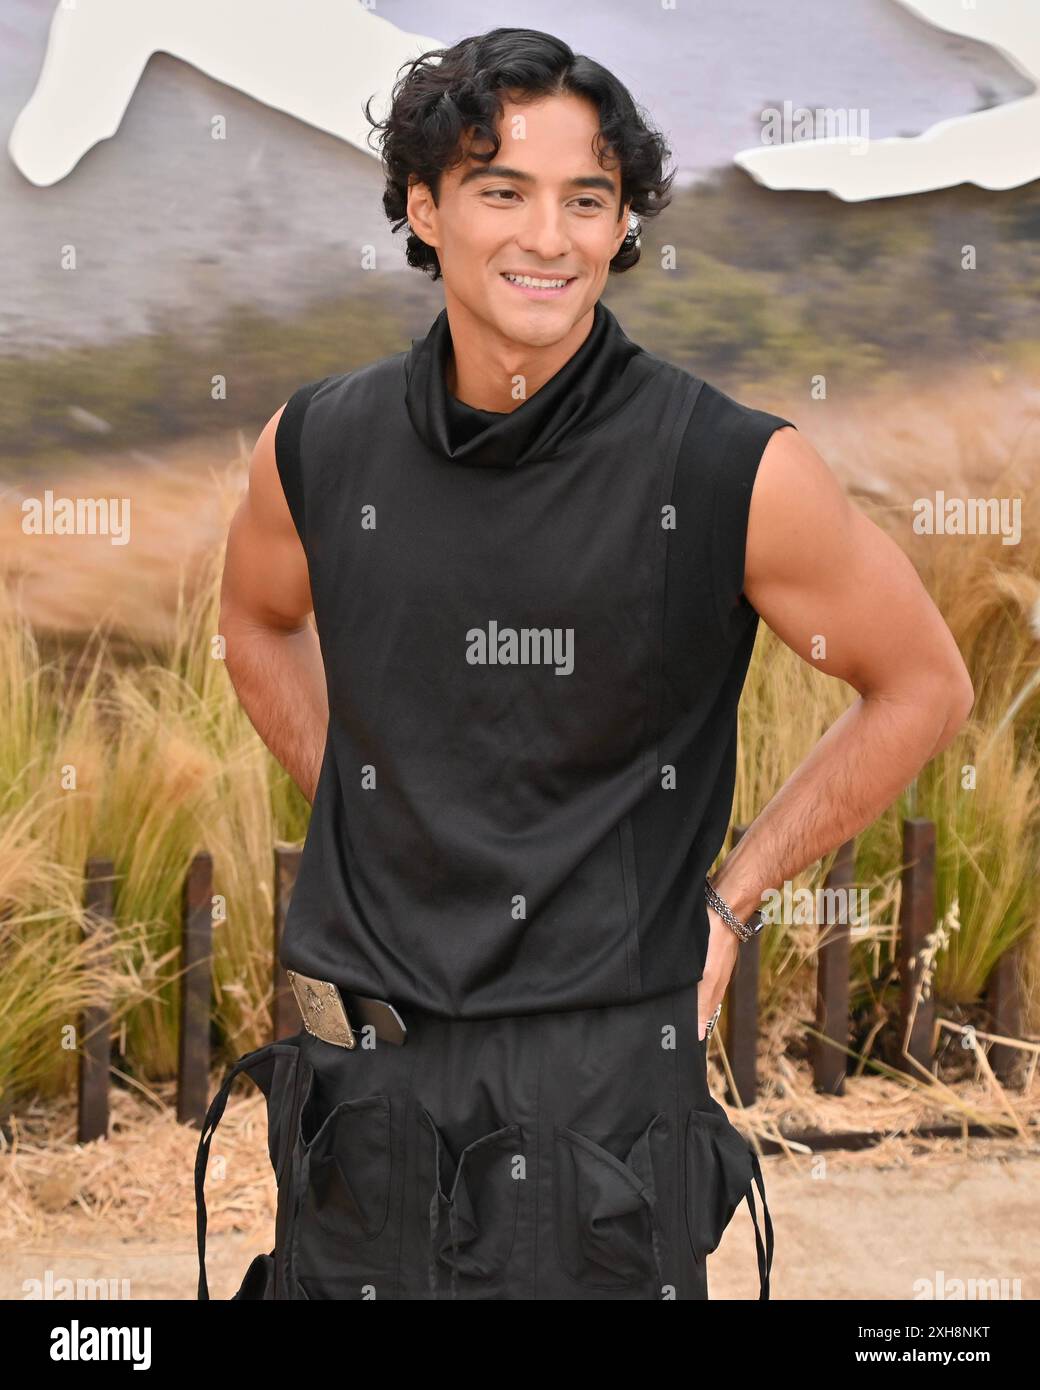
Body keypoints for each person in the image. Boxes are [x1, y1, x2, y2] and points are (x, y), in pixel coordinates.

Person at [194, 28, 974, 1302]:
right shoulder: (316, 446)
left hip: (596, 1117)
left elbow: (920, 681)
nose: (547, 237)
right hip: (359, 1101)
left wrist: (730, 901)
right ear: (423, 206)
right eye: (501, 190)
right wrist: (370, 796)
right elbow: (254, 622)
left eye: (587, 199)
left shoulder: (729, 470)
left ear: (620, 228)